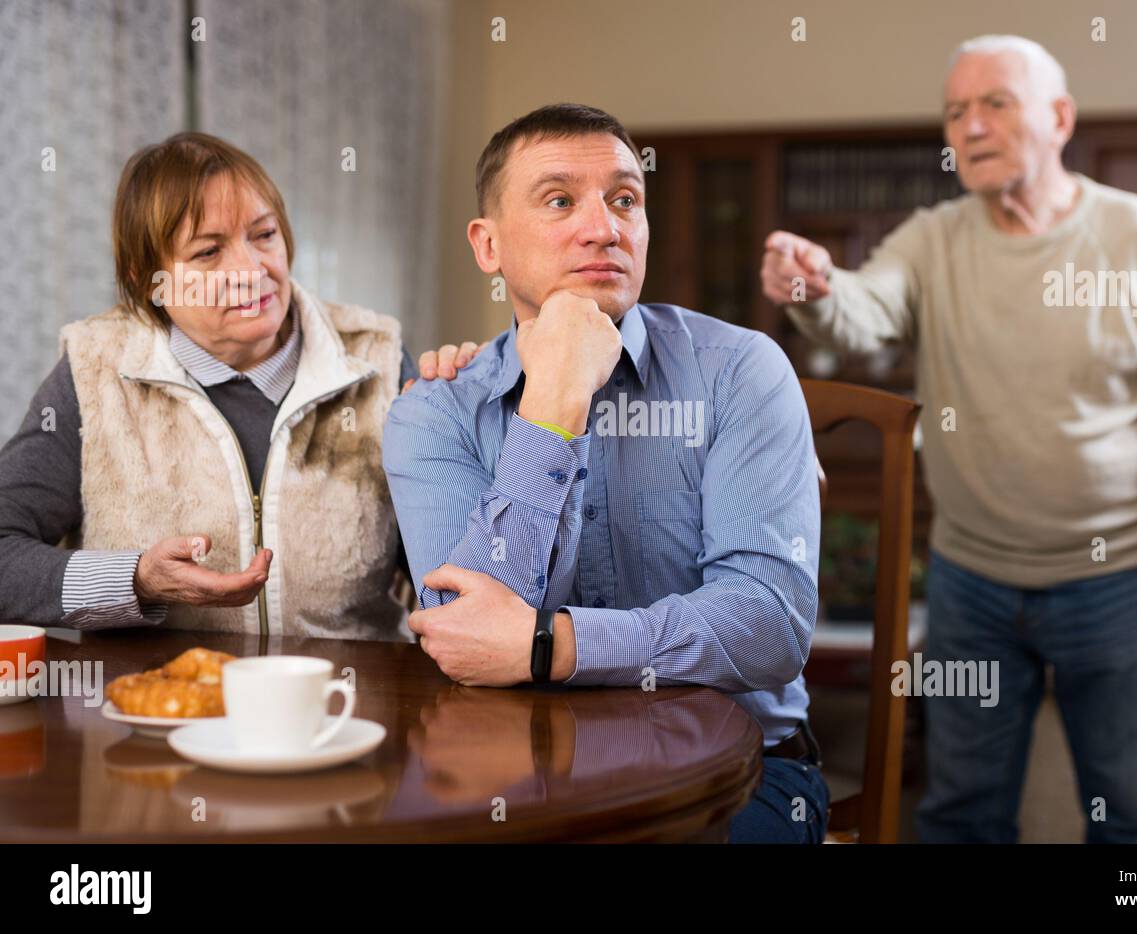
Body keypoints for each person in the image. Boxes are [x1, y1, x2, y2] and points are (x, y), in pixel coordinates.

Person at [761, 35, 1137, 843]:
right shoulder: (933, 238)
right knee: (961, 816)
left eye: (995, 103)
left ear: (1058, 117)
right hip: (972, 581)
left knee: (1131, 819)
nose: (971, 126)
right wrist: (815, 285)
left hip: (1120, 581)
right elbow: (861, 309)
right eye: (955, 111)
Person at [384, 103, 828, 843]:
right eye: (560, 201)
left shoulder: (742, 371)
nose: (606, 227)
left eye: (625, 200)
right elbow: (464, 641)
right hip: (518, 779)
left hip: (743, 775)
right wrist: (555, 404)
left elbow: (768, 626)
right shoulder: (434, 411)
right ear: (487, 245)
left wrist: (550, 645)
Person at [0, 132, 476, 637]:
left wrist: (466, 432)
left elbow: (450, 579)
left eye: (264, 235)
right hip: (160, 703)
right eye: (208, 253)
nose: (251, 271)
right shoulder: (93, 370)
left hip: (346, 705)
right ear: (149, 282)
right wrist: (136, 580)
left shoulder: (375, 356)